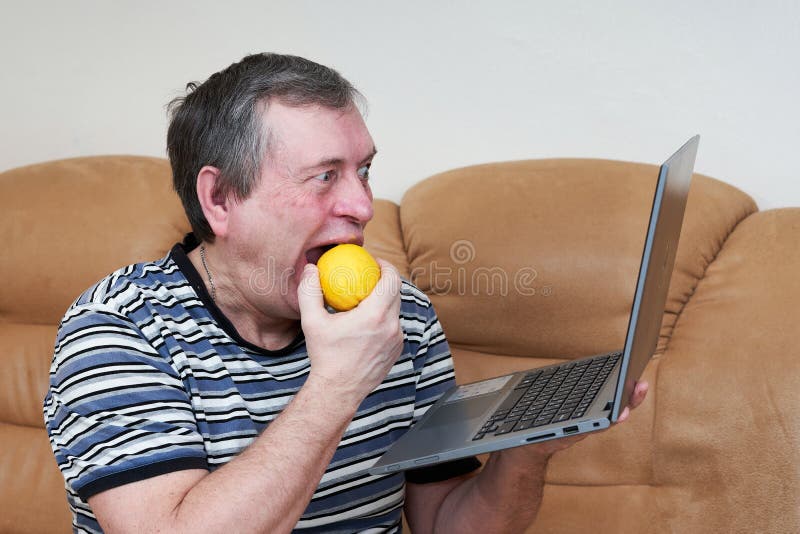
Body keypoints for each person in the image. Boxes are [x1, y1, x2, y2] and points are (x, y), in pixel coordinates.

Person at [44, 53, 648, 533]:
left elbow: (443, 522)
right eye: (325, 176)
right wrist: (338, 385)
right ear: (221, 199)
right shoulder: (115, 330)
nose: (362, 207)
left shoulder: (399, 315)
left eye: (363, 171)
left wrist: (527, 452)